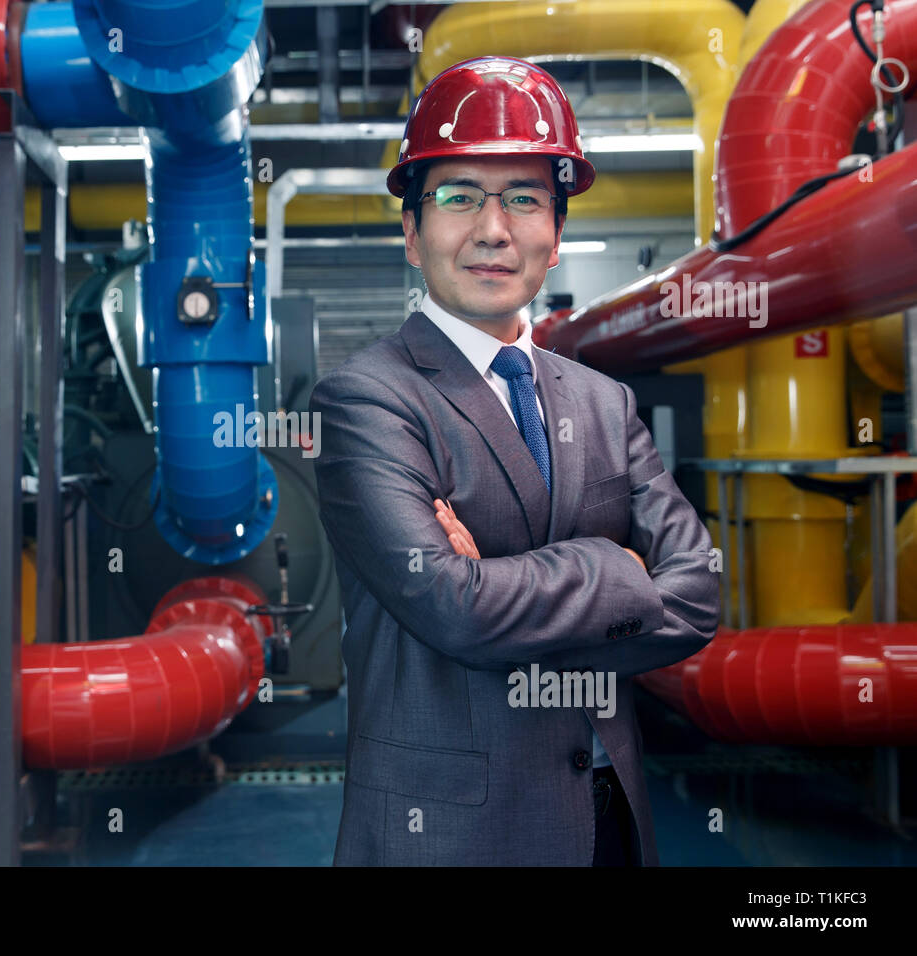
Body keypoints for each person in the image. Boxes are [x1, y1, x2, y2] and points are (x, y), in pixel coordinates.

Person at [309, 56, 720, 866]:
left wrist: (506, 587)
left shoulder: (606, 403)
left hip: (608, 815)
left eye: (524, 199)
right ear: (411, 231)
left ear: (556, 236)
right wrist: (620, 570)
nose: (493, 229)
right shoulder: (365, 403)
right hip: (452, 832)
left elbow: (700, 593)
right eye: (459, 196)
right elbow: (453, 608)